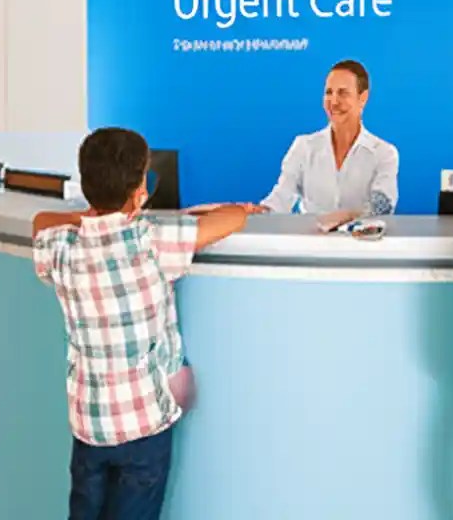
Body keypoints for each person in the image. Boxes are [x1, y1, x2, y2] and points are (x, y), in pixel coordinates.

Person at [32, 127, 256, 520]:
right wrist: (236, 208)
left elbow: (39, 220)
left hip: (90, 426)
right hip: (145, 427)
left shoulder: (61, 247)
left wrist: (86, 217)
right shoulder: (153, 240)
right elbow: (234, 218)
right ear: (139, 193)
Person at [261, 60, 399, 217]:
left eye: (343, 93)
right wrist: (260, 213)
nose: (334, 102)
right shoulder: (303, 146)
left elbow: (383, 204)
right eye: (329, 92)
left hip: (361, 240)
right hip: (310, 240)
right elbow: (281, 197)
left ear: (363, 98)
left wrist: (345, 218)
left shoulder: (384, 153)